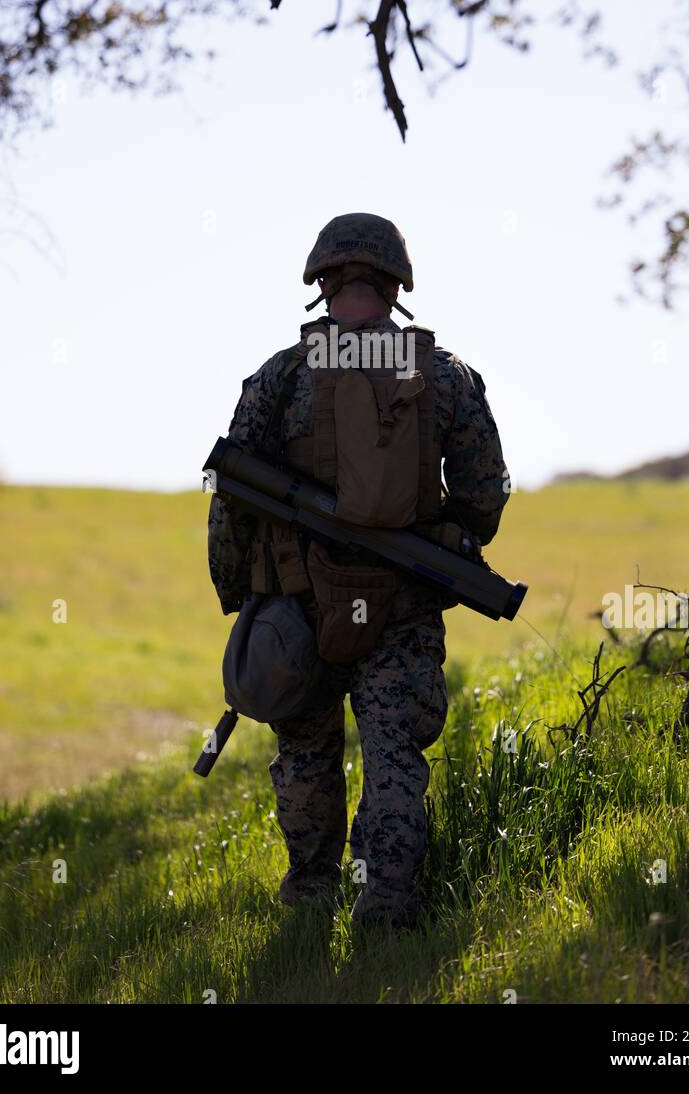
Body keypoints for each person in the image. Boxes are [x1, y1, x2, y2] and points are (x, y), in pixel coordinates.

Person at [207, 213, 509, 929]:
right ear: (396, 282)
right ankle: (388, 906)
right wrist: (441, 549)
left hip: (298, 602)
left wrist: (238, 589)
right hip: (400, 606)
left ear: (321, 281)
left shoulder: (280, 376)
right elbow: (485, 490)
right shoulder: (443, 375)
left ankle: (311, 897)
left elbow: (229, 497)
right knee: (394, 751)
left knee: (306, 752)